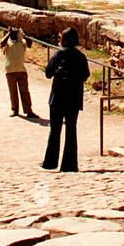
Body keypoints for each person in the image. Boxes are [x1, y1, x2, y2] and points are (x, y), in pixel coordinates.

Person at [41, 27, 90, 173]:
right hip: (73, 99)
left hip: (57, 98)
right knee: (71, 131)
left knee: (55, 131)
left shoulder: (58, 55)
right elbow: (85, 76)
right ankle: (69, 164)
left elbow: (48, 74)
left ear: (66, 40)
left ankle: (50, 162)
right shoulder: (81, 57)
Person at [0, 27, 35, 118]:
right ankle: (14, 110)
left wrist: (23, 34)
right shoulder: (7, 43)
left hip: (21, 70)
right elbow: (1, 43)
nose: (14, 33)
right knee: (13, 92)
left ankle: (28, 111)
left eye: (15, 32)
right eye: (12, 32)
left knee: (25, 92)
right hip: (10, 71)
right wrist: (8, 33)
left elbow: (30, 44)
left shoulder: (21, 42)